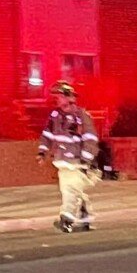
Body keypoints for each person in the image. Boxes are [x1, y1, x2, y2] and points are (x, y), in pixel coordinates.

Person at [39, 81, 101, 232]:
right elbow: (47, 135)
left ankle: (66, 220)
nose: (56, 99)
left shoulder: (81, 116)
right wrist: (42, 151)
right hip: (62, 161)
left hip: (76, 162)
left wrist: (86, 159)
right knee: (74, 190)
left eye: (59, 96)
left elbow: (90, 138)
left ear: (69, 97)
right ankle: (85, 217)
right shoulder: (55, 115)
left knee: (69, 191)